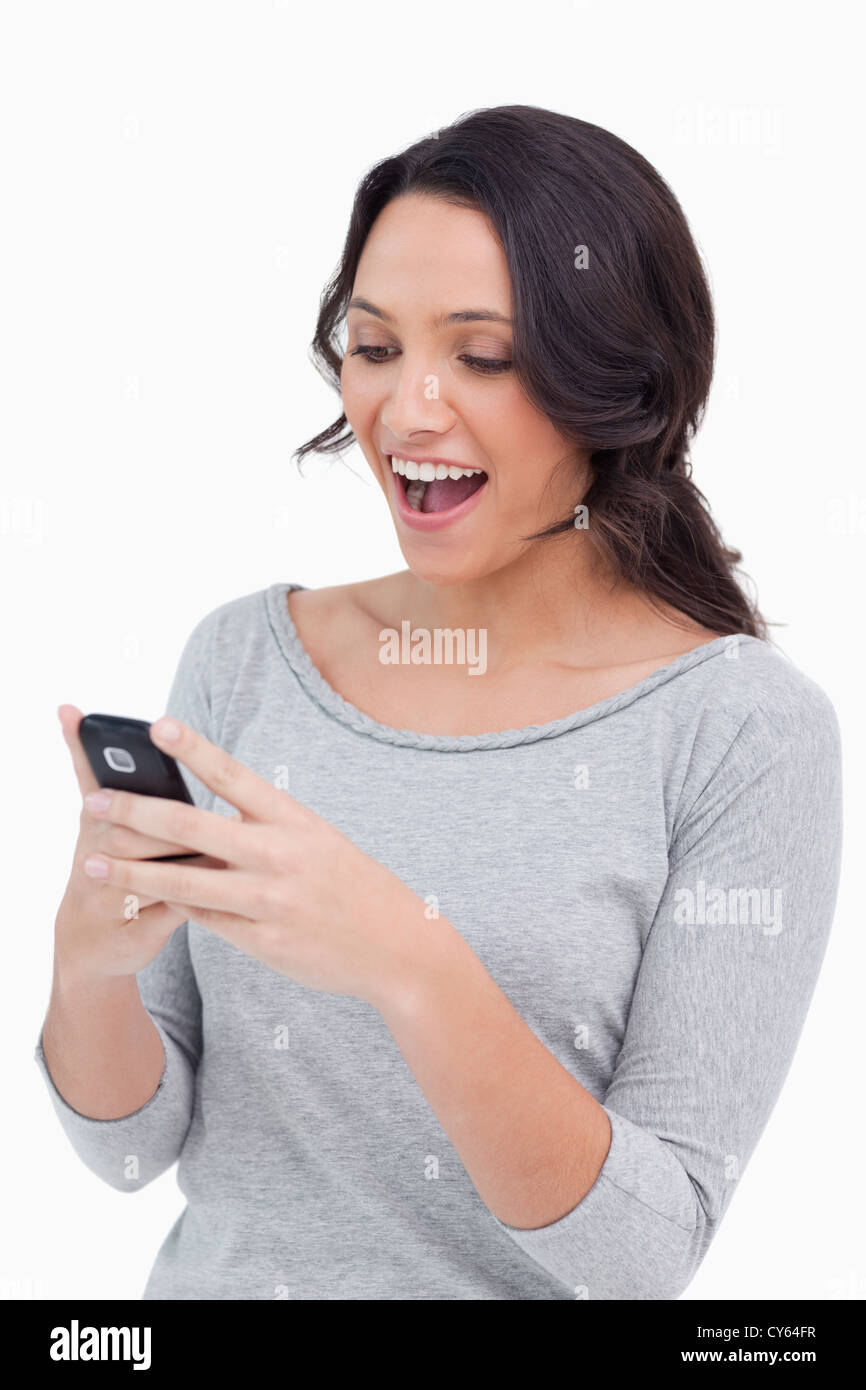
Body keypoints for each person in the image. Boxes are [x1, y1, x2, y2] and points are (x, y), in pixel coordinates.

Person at [36, 105, 842, 1300]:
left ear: (616, 381)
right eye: (373, 346)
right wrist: (87, 963)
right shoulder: (244, 660)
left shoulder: (737, 732)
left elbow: (638, 1257)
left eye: (482, 355)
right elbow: (128, 1148)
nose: (408, 410)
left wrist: (408, 961)